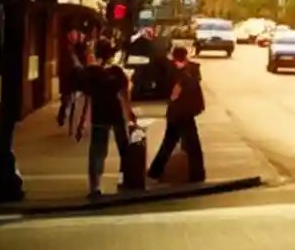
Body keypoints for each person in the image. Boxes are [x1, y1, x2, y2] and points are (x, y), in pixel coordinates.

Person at [78, 38, 135, 198]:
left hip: (99, 115)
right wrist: (129, 114)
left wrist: (83, 123)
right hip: (116, 114)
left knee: (97, 151)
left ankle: (95, 187)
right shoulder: (117, 72)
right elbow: (124, 95)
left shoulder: (91, 73)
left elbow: (88, 99)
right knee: (124, 148)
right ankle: (127, 179)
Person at [148, 46, 206, 183]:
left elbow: (170, 93)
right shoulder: (191, 69)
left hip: (176, 112)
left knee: (169, 141)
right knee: (192, 144)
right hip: (185, 112)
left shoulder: (171, 70)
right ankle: (196, 174)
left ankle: (155, 171)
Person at [57, 29, 85, 127]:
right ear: (68, 36)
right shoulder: (66, 48)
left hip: (72, 77)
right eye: (73, 35)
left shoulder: (74, 47)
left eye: (76, 35)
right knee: (66, 98)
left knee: (69, 98)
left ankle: (64, 117)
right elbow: (68, 63)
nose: (75, 37)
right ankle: (62, 117)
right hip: (68, 76)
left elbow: (78, 59)